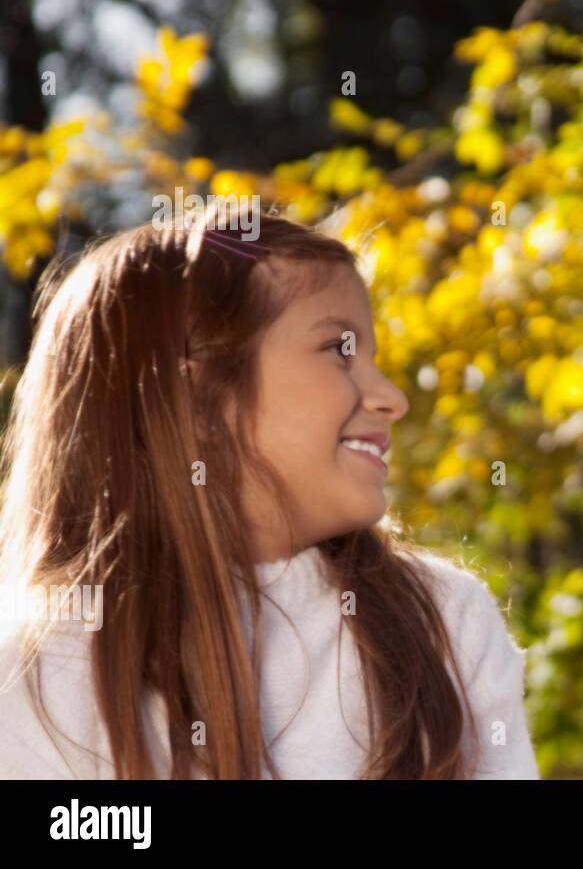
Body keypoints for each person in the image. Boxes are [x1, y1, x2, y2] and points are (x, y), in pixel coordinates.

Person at [0, 209, 539, 779]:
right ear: (200, 398)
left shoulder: (445, 621)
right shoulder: (36, 668)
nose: (391, 398)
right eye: (340, 350)